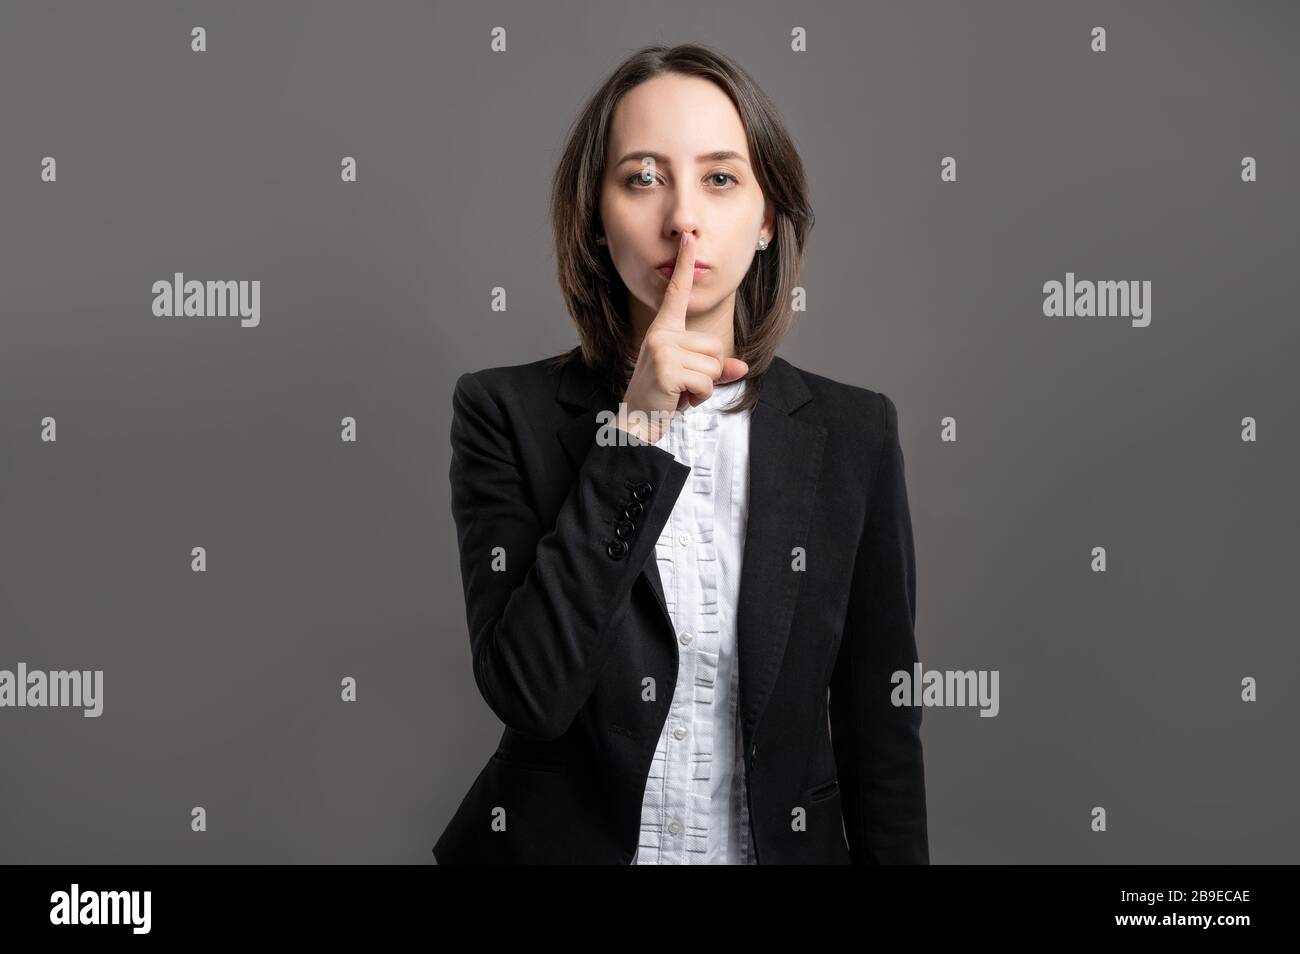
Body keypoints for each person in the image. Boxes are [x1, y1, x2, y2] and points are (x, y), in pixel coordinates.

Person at [433, 43, 928, 864]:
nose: (683, 218)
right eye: (642, 178)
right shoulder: (500, 411)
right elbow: (530, 691)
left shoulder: (855, 433)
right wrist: (636, 429)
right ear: (595, 217)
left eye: (721, 178)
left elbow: (882, 729)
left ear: (767, 218)